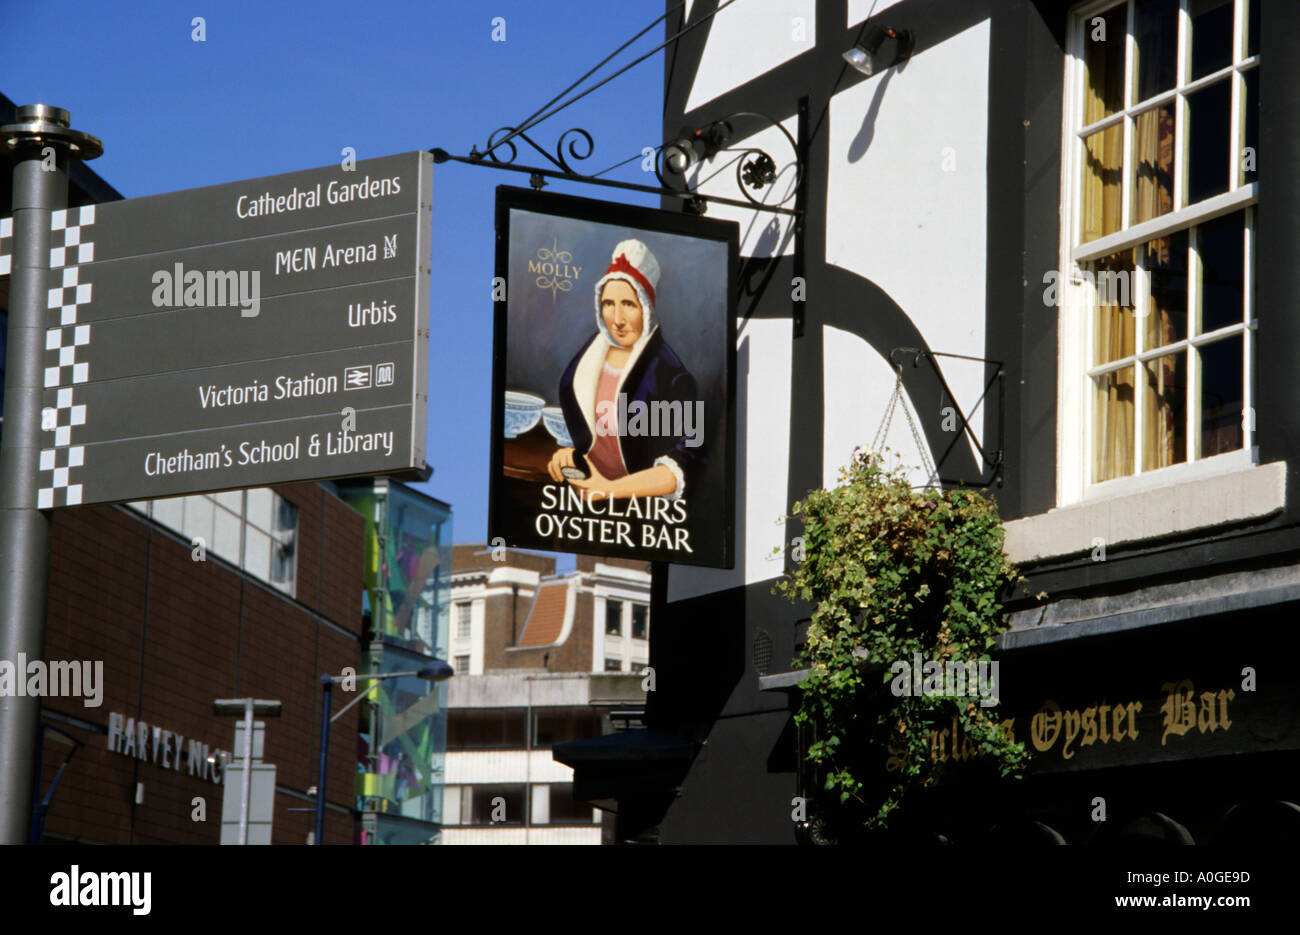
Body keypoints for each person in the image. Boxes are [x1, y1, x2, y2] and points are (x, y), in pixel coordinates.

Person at [547, 238, 705, 500]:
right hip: (585, 498)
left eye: (628, 304)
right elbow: (590, 430)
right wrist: (573, 453)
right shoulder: (591, 353)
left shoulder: (672, 375)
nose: (617, 320)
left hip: (639, 515)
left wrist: (610, 490)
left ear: (646, 308)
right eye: (609, 303)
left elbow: (689, 455)